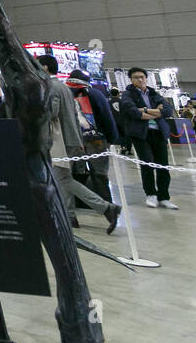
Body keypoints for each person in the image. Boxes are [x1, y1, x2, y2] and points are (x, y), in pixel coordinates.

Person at [39, 55, 121, 233]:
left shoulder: (50, 87)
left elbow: (50, 114)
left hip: (59, 141)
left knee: (63, 178)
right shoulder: (62, 87)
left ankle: (104, 208)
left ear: (44, 68)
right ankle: (71, 215)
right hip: (69, 140)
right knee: (64, 178)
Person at [119, 67, 177, 209]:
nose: (140, 79)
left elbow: (168, 110)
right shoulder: (127, 95)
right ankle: (150, 194)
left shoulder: (153, 93)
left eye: (142, 77)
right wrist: (156, 111)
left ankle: (164, 197)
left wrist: (145, 110)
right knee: (147, 164)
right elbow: (133, 112)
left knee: (163, 165)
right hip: (141, 134)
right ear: (131, 80)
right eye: (136, 77)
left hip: (158, 133)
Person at [68, 69, 119, 204]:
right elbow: (106, 117)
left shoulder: (64, 93)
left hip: (72, 140)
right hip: (96, 140)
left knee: (75, 171)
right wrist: (112, 138)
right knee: (100, 172)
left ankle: (79, 202)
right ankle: (104, 203)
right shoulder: (96, 94)